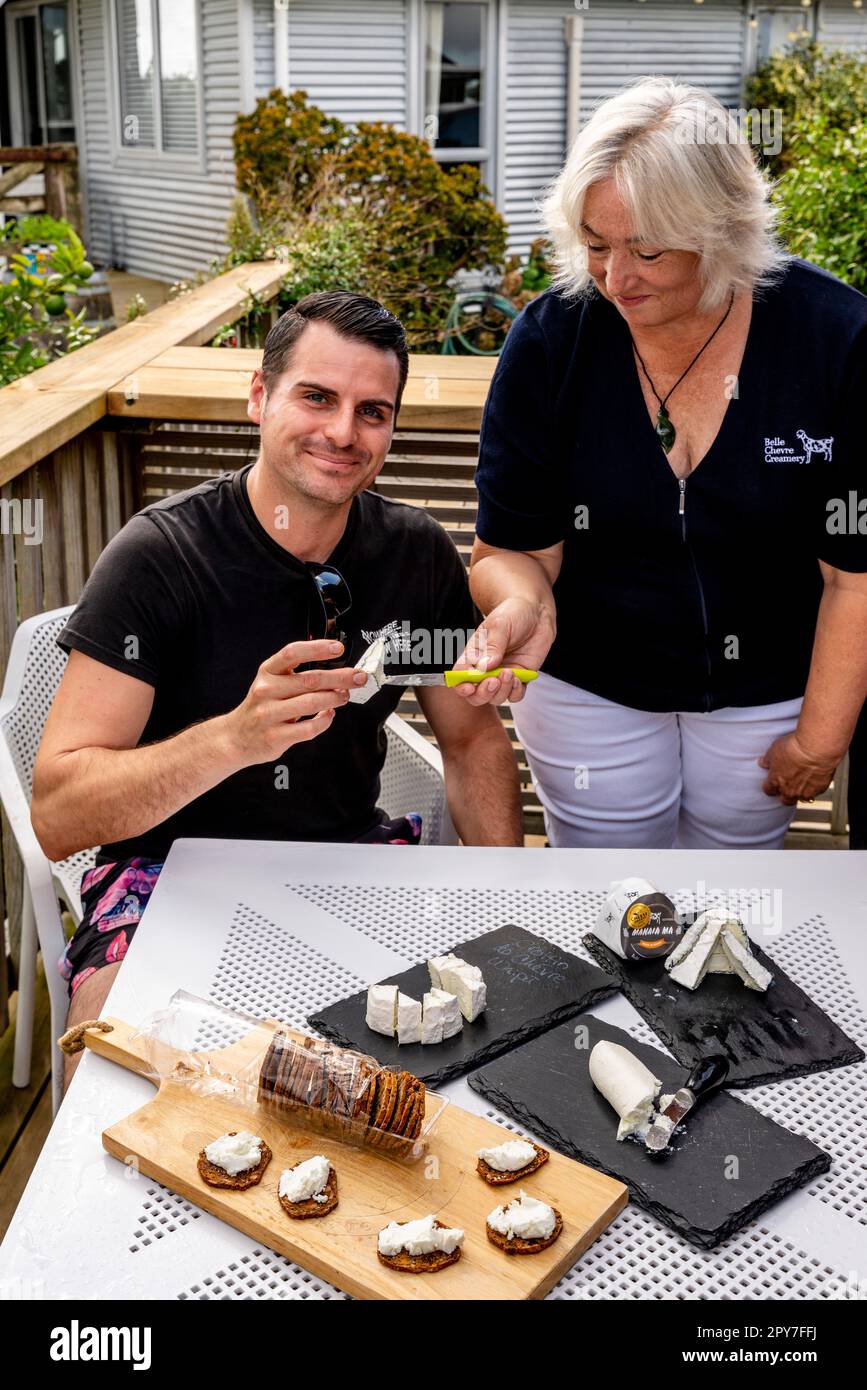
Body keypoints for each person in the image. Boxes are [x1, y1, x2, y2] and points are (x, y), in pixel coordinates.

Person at [31, 291, 523, 1089]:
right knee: (122, 1082)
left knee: (460, 1071)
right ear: (259, 397)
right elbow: (58, 815)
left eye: (372, 411)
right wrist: (234, 739)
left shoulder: (418, 554)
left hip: (351, 862)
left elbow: (469, 738)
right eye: (317, 397)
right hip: (164, 874)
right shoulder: (157, 557)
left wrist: (507, 905)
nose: (342, 432)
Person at [454, 75, 867, 851]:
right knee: (607, 903)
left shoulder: (834, 338)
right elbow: (512, 549)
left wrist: (817, 741)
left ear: (723, 230)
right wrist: (522, 606)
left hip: (767, 687)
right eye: (595, 244)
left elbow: (855, 574)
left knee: (732, 906)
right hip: (587, 685)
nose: (614, 279)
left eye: (646, 249)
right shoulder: (549, 344)